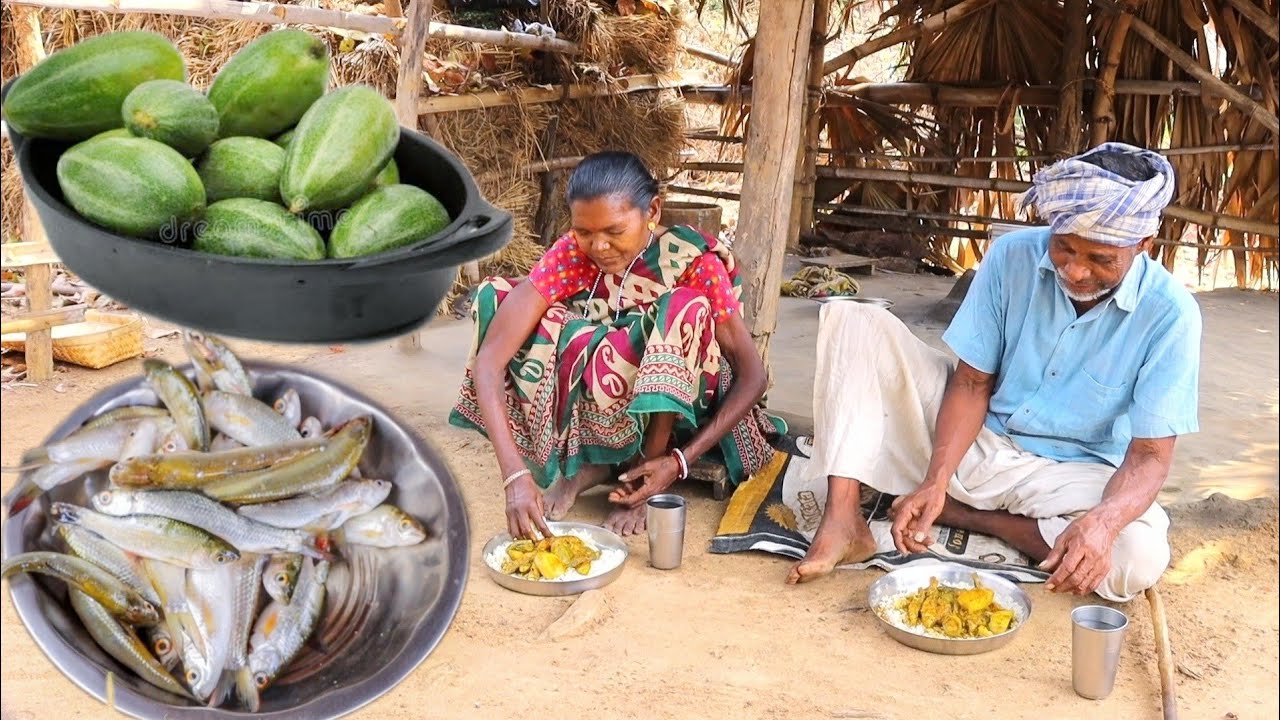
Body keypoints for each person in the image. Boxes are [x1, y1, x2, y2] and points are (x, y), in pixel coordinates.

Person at [790, 142, 1201, 602]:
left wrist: (1101, 523)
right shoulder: (1010, 257)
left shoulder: (1171, 315)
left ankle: (967, 517)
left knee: (1136, 556)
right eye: (1064, 247)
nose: (1076, 270)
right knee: (855, 322)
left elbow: (1148, 457)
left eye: (1101, 259)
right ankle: (846, 519)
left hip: (1070, 478)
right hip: (976, 441)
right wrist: (937, 479)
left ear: (1143, 244)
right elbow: (970, 383)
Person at [449, 151, 780, 539]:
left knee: (680, 308)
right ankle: (588, 464)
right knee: (501, 297)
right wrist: (515, 477)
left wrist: (678, 463)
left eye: (614, 231)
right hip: (602, 399)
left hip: (682, 404)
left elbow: (752, 376)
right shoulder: (571, 256)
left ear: (652, 210)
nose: (598, 246)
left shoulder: (692, 263)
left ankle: (644, 478)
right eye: (584, 232)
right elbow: (490, 361)